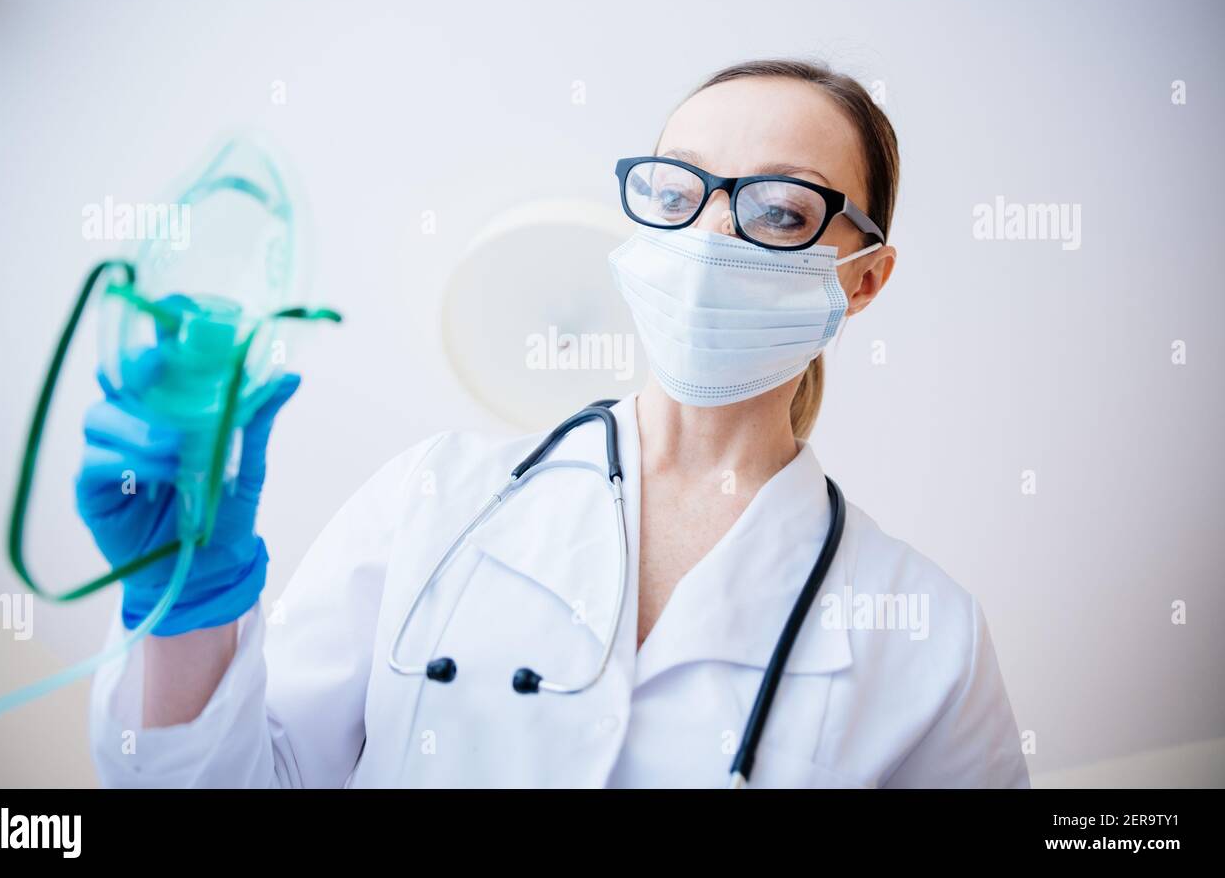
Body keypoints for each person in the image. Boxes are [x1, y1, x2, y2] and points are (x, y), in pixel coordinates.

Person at [82, 58, 1029, 788]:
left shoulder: (929, 636)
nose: (707, 237)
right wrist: (186, 607)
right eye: (674, 190)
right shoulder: (438, 496)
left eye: (778, 210)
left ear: (863, 280)